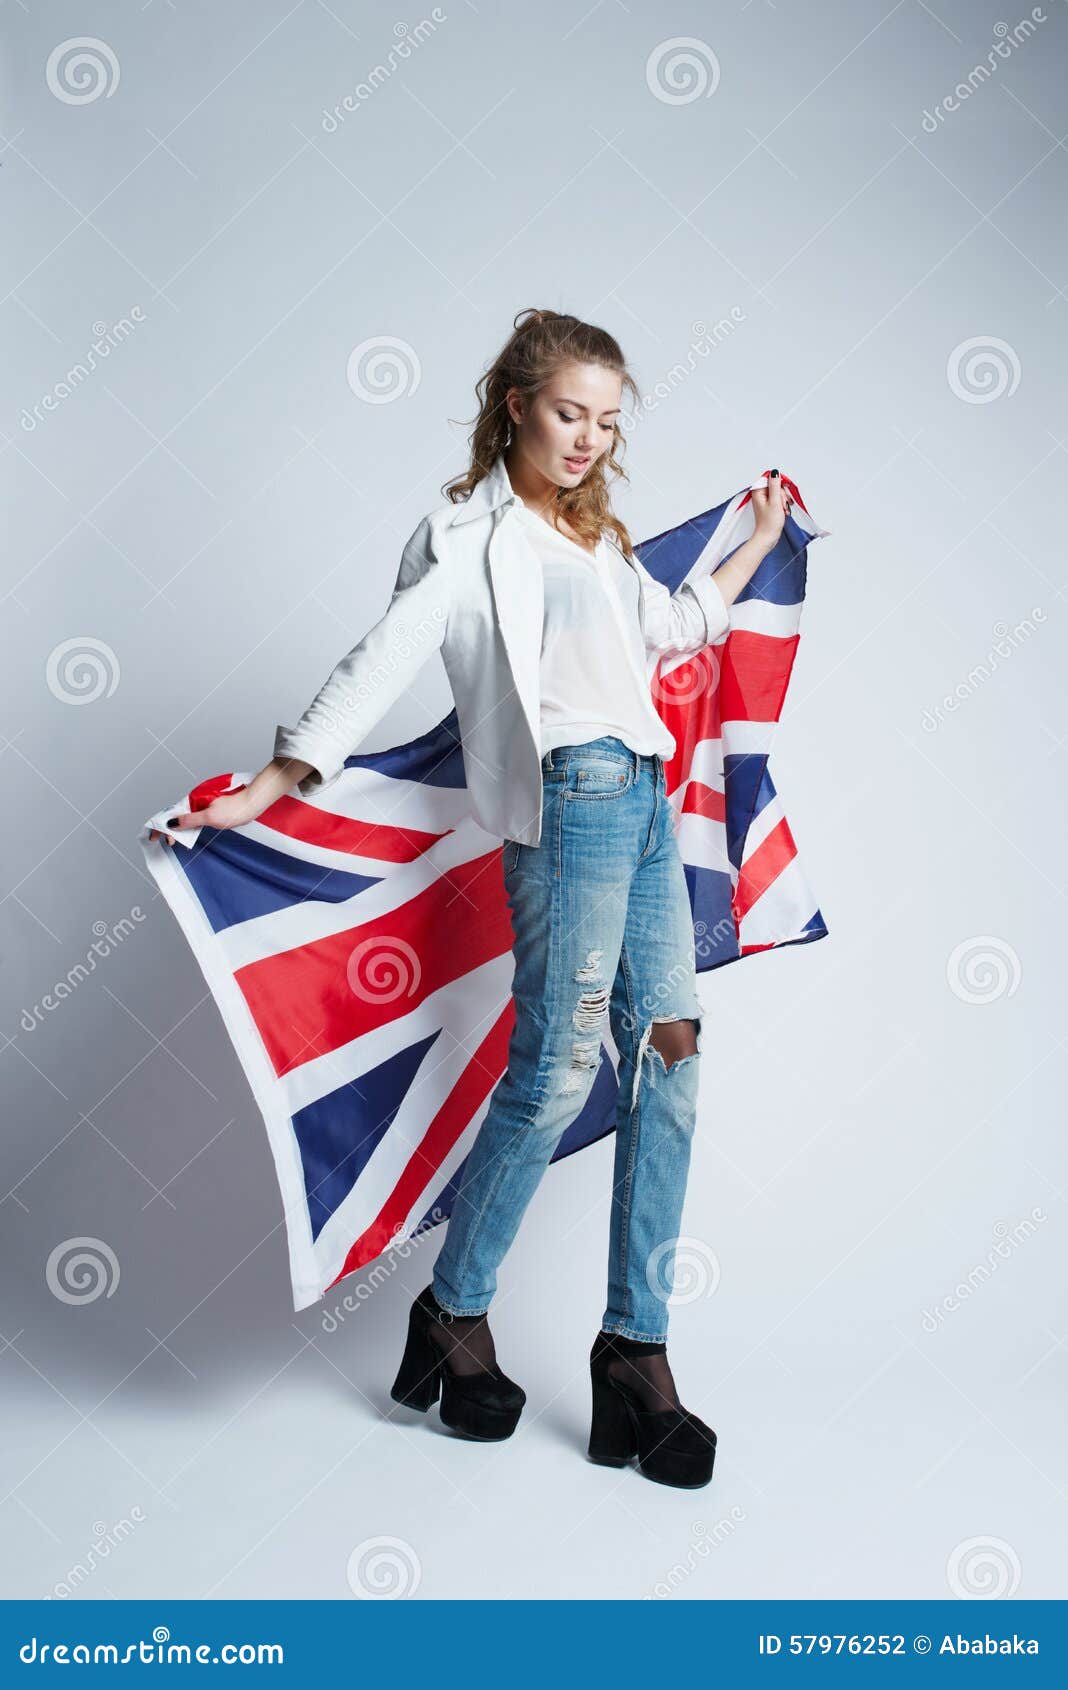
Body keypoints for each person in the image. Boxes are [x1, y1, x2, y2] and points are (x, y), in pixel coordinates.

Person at [152, 308, 791, 1488]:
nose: (590, 438)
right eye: (569, 413)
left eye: (608, 420)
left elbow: (678, 626)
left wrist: (752, 544)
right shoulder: (467, 537)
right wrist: (274, 781)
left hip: (643, 799)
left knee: (675, 1051)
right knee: (553, 1069)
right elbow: (382, 656)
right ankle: (454, 1314)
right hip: (575, 804)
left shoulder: (598, 540)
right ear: (515, 404)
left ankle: (634, 1351)